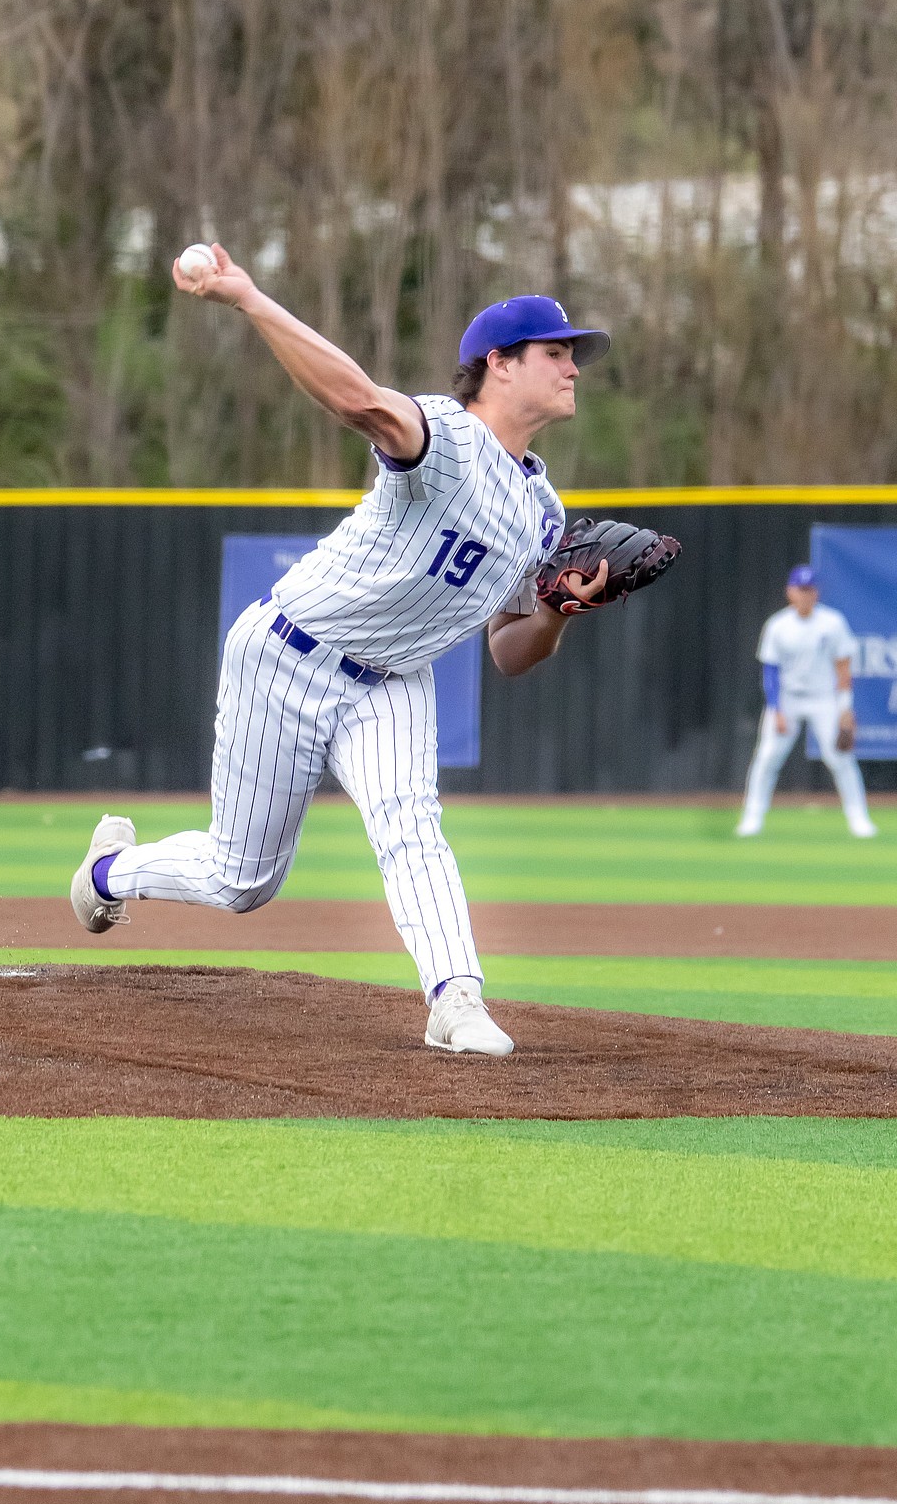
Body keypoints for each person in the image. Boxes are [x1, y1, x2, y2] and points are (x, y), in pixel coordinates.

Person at [71, 249, 619, 1055]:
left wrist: (562, 611)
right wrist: (250, 298)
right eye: (556, 352)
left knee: (412, 827)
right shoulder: (450, 439)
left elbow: (509, 649)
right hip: (289, 653)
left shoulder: (543, 511)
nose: (574, 366)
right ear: (499, 365)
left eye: (575, 354)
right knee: (241, 880)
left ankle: (455, 1000)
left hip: (393, 682)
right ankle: (110, 874)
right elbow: (357, 400)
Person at [736, 563, 876, 840]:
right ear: (790, 592)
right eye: (801, 589)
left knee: (840, 759)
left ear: (817, 592)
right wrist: (775, 709)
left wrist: (845, 707)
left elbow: (844, 667)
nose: (805, 595)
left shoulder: (832, 623)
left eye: (810, 589)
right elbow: (771, 672)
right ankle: (752, 818)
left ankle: (859, 819)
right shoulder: (778, 625)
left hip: (824, 698)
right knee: (767, 759)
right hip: (788, 698)